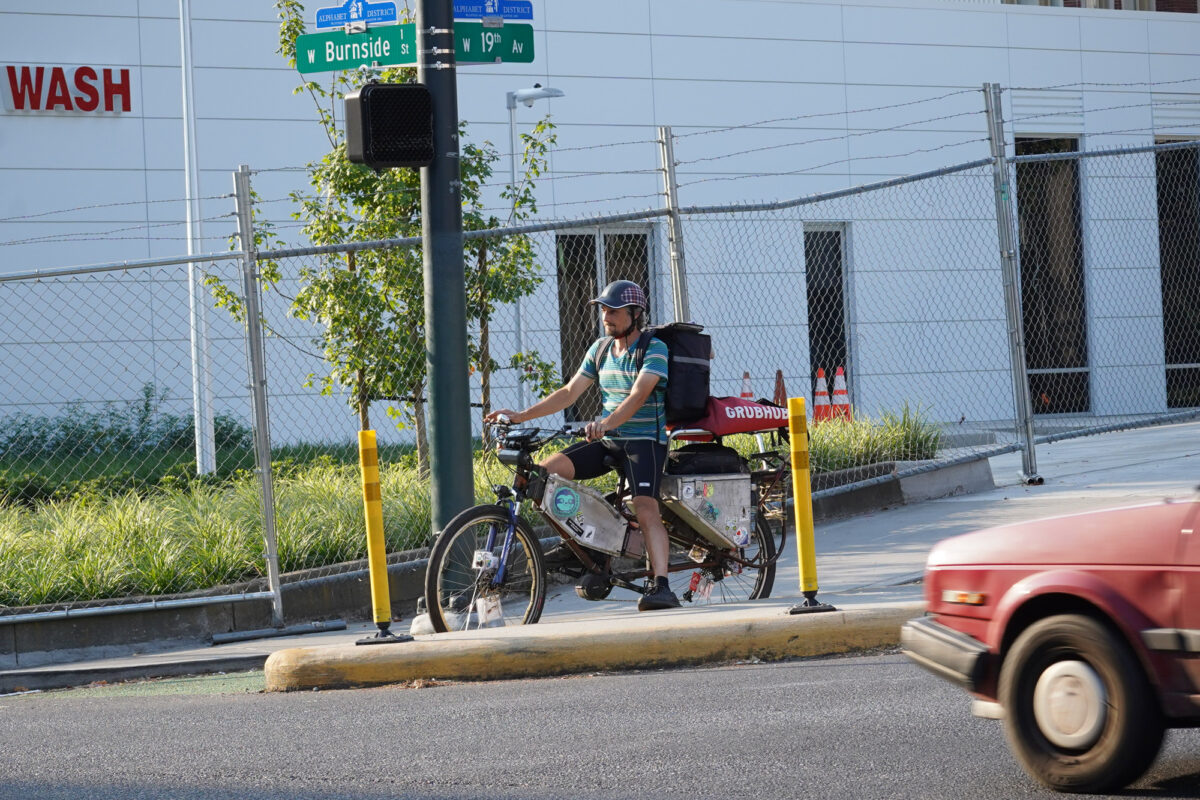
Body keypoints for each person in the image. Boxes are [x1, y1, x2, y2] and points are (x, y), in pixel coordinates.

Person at [486, 280, 680, 611]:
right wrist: (519, 416)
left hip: (644, 441)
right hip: (608, 440)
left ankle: (661, 584)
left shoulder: (655, 349)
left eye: (613, 310)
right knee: (543, 476)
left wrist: (607, 422)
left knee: (645, 506)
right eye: (603, 309)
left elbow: (638, 396)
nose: (606, 316)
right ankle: (586, 544)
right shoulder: (601, 349)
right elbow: (568, 393)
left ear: (635, 314)